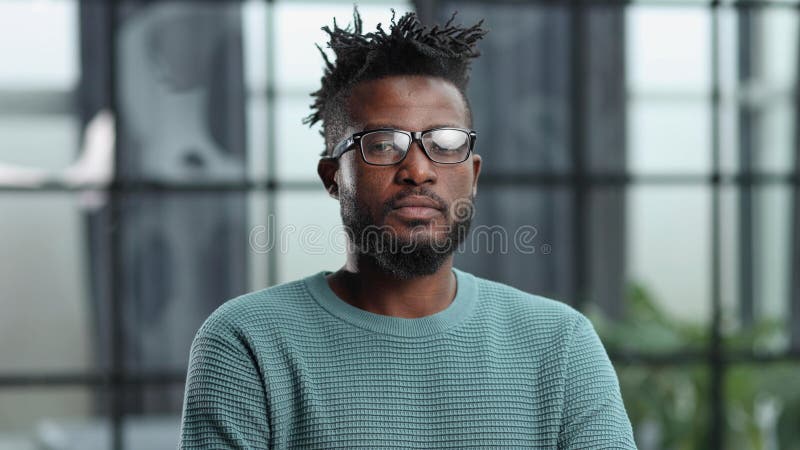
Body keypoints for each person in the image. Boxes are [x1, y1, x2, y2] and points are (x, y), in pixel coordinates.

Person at [179, 9, 635, 449]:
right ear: (333, 177)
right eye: (382, 144)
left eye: (445, 143)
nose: (418, 170)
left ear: (473, 176)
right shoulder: (247, 343)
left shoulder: (560, 345)